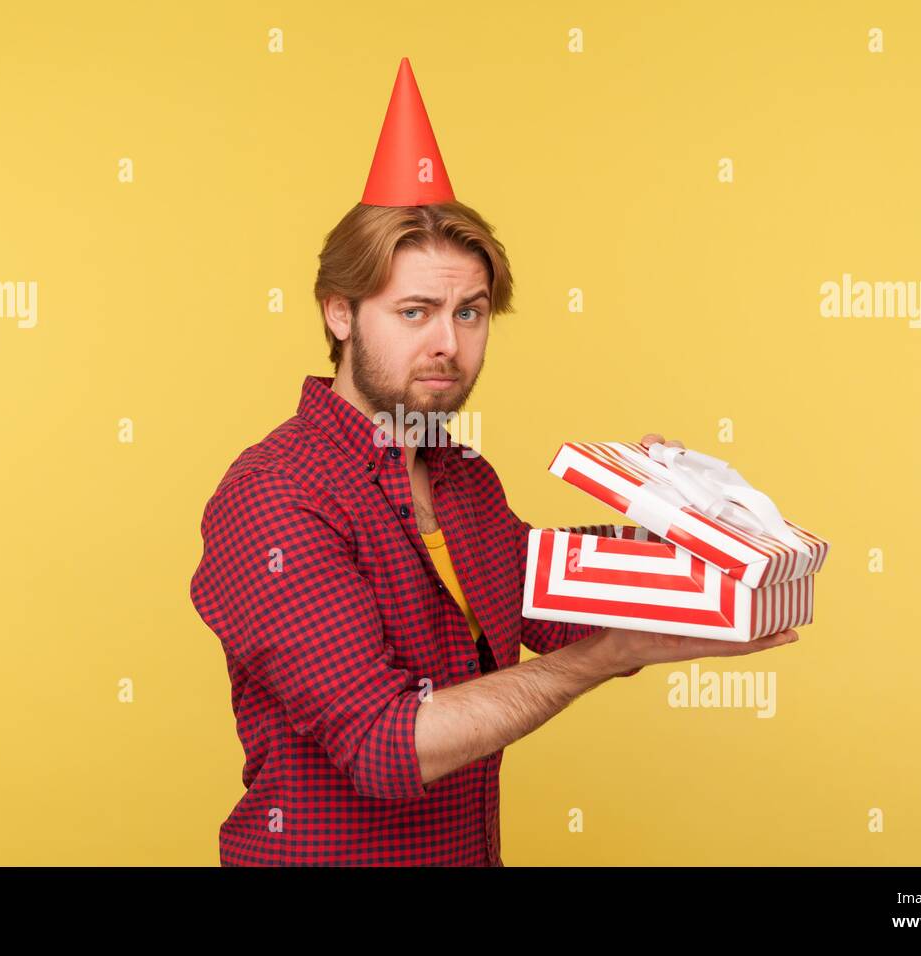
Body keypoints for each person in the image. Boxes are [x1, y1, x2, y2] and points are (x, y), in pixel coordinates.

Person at [188, 58, 798, 866]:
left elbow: (556, 603)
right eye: (415, 311)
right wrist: (607, 659)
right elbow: (385, 747)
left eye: (469, 312)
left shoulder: (462, 479)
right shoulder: (276, 495)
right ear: (339, 313)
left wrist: (689, 519)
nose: (448, 342)